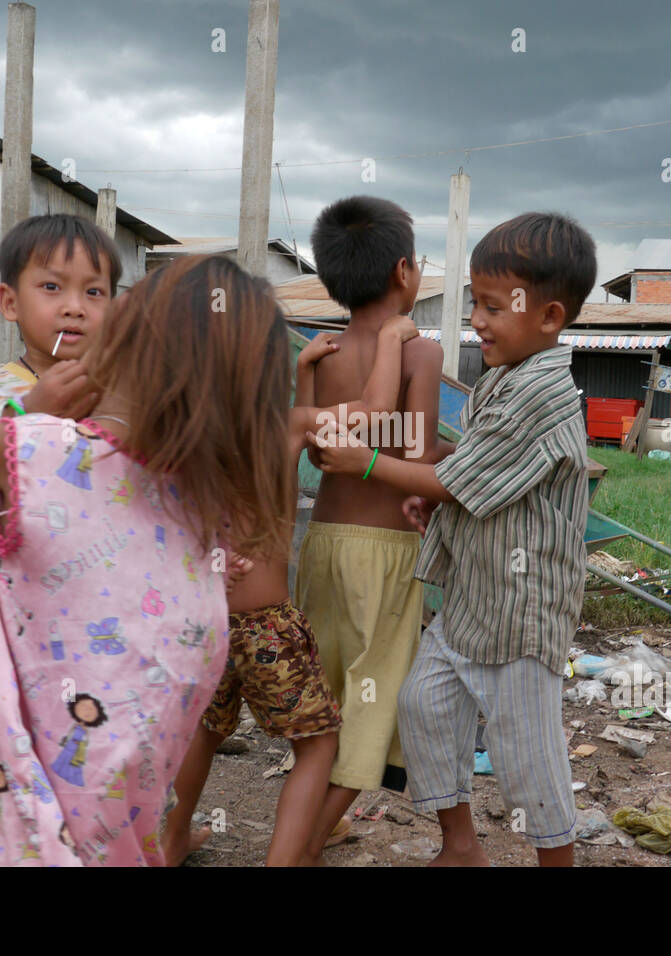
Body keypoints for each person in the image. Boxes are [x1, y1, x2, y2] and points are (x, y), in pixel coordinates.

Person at [0, 254, 294, 865]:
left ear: (126, 346)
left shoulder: (39, 446)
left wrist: (26, 415)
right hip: (120, 820)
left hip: (29, 822)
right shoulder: (202, 493)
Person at [309, 211, 598, 866]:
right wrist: (427, 473)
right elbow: (461, 457)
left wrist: (374, 466)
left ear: (550, 317)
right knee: (424, 705)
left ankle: (557, 860)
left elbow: (459, 478)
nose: (478, 319)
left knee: (528, 754)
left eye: (495, 307)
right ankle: (460, 846)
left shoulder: (543, 394)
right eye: (476, 303)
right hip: (472, 598)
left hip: (522, 615)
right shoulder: (501, 377)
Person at [165, 314, 420, 866]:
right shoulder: (282, 422)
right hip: (265, 627)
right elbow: (375, 410)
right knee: (317, 744)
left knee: (203, 730)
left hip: (197, 625)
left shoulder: (179, 439)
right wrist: (392, 338)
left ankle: (169, 843)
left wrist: (305, 372)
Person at [0, 213, 120, 865]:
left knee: (102, 765)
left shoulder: (127, 397)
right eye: (53, 287)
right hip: (7, 630)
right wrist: (34, 412)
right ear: (10, 301)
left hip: (102, 632)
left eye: (95, 292)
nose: (75, 307)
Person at [293, 195, 446, 853]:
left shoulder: (320, 352)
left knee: (324, 699)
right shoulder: (421, 352)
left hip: (322, 543)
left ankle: (314, 819)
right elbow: (412, 455)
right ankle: (301, 836)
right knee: (373, 702)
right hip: (385, 552)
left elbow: (316, 443)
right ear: (405, 272)